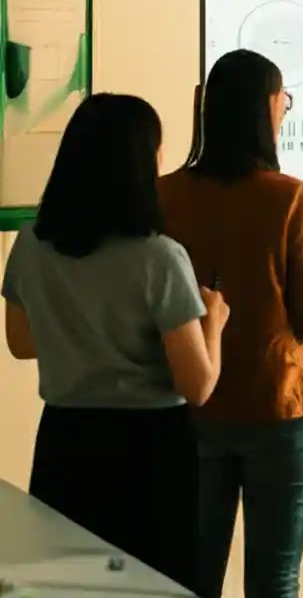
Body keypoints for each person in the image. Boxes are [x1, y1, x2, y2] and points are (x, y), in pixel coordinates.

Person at [159, 49, 303, 598]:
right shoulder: (288, 197)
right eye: (284, 98)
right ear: (268, 107)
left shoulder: (165, 193)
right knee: (274, 580)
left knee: (191, 575)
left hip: (192, 406)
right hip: (280, 406)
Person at [3, 93, 228, 592]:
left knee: (69, 586)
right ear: (140, 163)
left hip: (66, 442)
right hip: (149, 453)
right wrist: (214, 321)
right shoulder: (160, 258)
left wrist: (84, 330)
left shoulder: (31, 243)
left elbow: (21, 343)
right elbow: (198, 386)